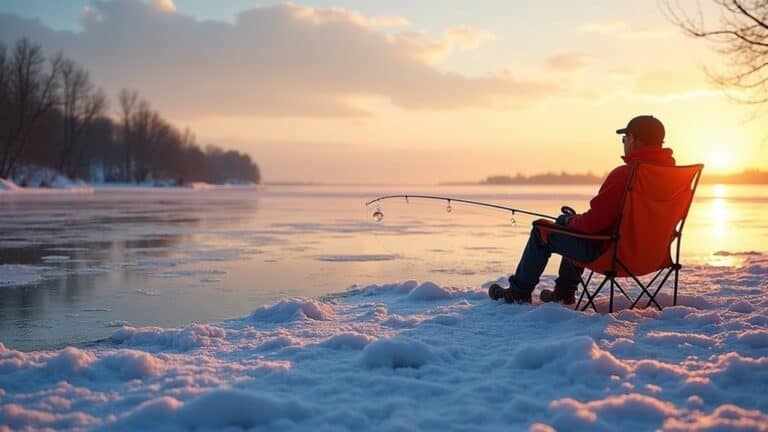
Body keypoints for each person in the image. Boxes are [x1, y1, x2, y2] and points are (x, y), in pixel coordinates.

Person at [488, 115, 676, 305]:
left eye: (624, 139)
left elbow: (592, 225)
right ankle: (563, 293)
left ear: (633, 139)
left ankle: (519, 293)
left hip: (615, 257)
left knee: (542, 231)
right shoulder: (674, 178)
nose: (623, 144)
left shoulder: (626, 175)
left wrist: (567, 221)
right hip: (655, 258)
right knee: (575, 228)